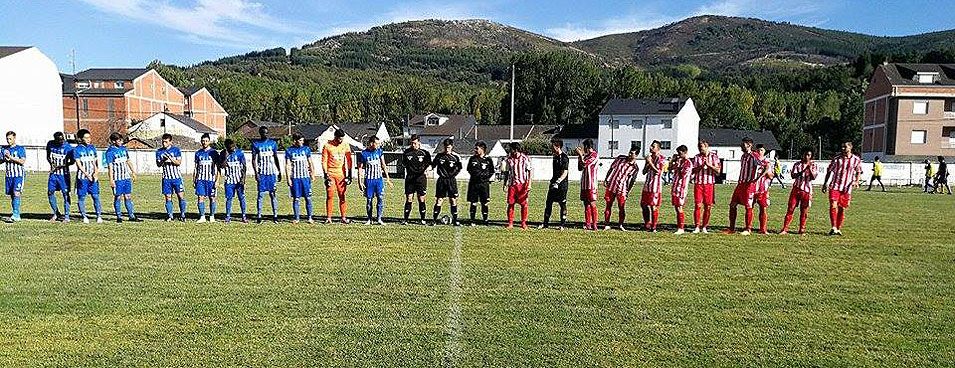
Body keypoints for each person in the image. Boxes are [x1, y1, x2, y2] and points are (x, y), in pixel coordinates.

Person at [724, 137, 767, 235]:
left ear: (749, 145)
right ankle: (731, 228)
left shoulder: (754, 156)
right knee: (732, 205)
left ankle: (748, 229)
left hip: (749, 185)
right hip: (740, 184)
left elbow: (765, 165)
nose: (740, 146)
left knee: (748, 206)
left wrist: (757, 178)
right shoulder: (743, 156)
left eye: (742, 144)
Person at [821, 141, 862, 236]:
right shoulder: (836, 159)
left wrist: (856, 181)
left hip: (846, 188)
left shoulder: (856, 159)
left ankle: (838, 228)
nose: (843, 149)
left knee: (842, 208)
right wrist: (825, 183)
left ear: (850, 148)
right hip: (835, 186)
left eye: (845, 147)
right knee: (833, 205)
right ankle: (833, 227)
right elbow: (829, 171)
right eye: (842, 147)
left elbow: (858, 171)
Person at [104, 133, 140, 223]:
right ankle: (118, 216)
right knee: (118, 197)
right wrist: (111, 180)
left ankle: (131, 216)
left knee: (128, 196)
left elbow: (128, 161)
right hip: (117, 178)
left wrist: (133, 172)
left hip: (126, 177)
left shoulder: (124, 149)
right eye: (119, 140)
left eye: (121, 140)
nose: (121, 142)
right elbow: (110, 167)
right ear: (113, 141)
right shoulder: (110, 152)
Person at [780, 148, 817, 235]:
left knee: (804, 211)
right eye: (805, 154)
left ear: (811, 156)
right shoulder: (797, 164)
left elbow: (813, 177)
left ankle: (801, 229)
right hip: (796, 189)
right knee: (790, 209)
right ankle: (785, 229)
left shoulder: (814, 165)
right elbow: (793, 175)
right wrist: (804, 170)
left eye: (808, 155)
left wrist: (809, 169)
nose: (806, 156)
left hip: (807, 191)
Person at [603, 147, 640, 231]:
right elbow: (611, 168)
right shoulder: (620, 158)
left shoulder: (635, 167)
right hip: (612, 185)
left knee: (621, 207)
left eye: (632, 153)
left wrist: (627, 191)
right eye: (630, 152)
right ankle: (607, 224)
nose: (630, 155)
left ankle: (620, 224)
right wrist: (606, 179)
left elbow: (632, 180)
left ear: (636, 155)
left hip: (622, 188)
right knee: (608, 205)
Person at [357, 135, 391, 225]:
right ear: (371, 143)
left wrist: (387, 178)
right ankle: (369, 219)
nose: (378, 145)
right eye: (377, 143)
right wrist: (359, 182)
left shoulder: (379, 152)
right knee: (369, 200)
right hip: (369, 180)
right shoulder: (364, 154)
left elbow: (383, 165)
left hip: (378, 180)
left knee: (380, 198)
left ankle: (379, 219)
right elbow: (360, 168)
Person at [251, 126, 282, 223]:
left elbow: (276, 157)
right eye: (263, 133)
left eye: (267, 133)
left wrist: (279, 171)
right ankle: (259, 216)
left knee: (273, 194)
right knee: (260, 195)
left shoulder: (273, 143)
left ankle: (275, 216)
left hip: (271, 173)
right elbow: (253, 160)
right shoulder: (256, 144)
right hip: (262, 173)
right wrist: (256, 173)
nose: (265, 134)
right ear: (260, 133)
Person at [72, 129, 103, 224]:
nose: (89, 139)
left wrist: (96, 172)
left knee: (96, 196)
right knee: (82, 197)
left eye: (89, 137)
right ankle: (84, 216)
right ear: (81, 139)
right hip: (82, 178)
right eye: (86, 137)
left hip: (93, 177)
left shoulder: (92, 148)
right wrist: (86, 174)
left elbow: (95, 162)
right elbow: (79, 165)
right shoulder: (77, 150)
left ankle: (98, 216)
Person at [322, 129, 353, 224]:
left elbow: (349, 160)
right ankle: (329, 218)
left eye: (342, 139)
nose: (341, 141)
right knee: (330, 195)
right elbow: (324, 161)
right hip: (331, 174)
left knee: (342, 195)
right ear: (335, 137)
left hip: (341, 175)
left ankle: (343, 217)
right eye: (339, 139)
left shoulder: (345, 145)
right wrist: (326, 176)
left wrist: (350, 175)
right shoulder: (327, 146)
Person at [401, 135, 431, 225]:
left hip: (421, 178)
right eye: (412, 143)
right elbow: (404, 164)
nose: (413, 145)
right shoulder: (406, 152)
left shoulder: (425, 153)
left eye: (415, 143)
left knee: (421, 198)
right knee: (409, 198)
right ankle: (406, 220)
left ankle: (422, 219)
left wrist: (426, 170)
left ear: (419, 143)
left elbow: (429, 164)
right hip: (410, 178)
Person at [691, 140, 720, 234]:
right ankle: (697, 226)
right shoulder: (696, 157)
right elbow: (693, 170)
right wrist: (701, 166)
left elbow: (718, 171)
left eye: (701, 147)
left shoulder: (714, 157)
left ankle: (704, 226)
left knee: (708, 206)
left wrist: (709, 165)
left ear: (706, 147)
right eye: (699, 147)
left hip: (709, 184)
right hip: (698, 183)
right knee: (698, 205)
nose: (700, 149)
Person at [432, 138, 463, 226]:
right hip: (441, 180)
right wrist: (427, 169)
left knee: (453, 200)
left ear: (452, 147)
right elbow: (433, 165)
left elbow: (459, 168)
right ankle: (434, 220)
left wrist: (452, 175)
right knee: (439, 200)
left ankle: (455, 220)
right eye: (445, 147)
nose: (447, 149)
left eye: (448, 147)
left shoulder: (456, 157)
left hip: (451, 181)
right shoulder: (439, 156)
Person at [285, 133, 315, 224]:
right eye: (300, 140)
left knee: (308, 198)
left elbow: (310, 163)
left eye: (303, 140)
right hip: (295, 178)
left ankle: (309, 217)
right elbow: (287, 165)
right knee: (296, 199)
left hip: (305, 178)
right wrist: (288, 178)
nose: (302, 142)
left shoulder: (306, 149)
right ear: (295, 141)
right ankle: (297, 218)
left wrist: (312, 173)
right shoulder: (289, 150)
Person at [156, 134, 186, 222]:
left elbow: (178, 162)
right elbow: (158, 164)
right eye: (163, 141)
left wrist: (170, 158)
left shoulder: (176, 150)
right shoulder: (159, 152)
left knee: (181, 196)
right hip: (166, 178)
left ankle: (183, 214)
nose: (164, 143)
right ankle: (170, 215)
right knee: (168, 197)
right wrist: (163, 160)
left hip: (176, 177)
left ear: (170, 142)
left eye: (166, 142)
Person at [540, 139, 569, 230]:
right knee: (548, 203)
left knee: (562, 204)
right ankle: (545, 224)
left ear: (558, 146)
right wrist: (553, 182)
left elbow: (565, 172)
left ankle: (562, 225)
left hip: (562, 185)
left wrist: (558, 181)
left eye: (552, 147)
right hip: (553, 183)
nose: (551, 149)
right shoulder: (555, 157)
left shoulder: (564, 157)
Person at [502, 142, 532, 229]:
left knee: (524, 204)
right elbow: (507, 172)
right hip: (512, 185)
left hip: (522, 184)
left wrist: (529, 183)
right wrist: (505, 183)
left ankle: (523, 223)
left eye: (511, 149)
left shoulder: (525, 158)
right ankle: (510, 223)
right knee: (511, 203)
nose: (509, 151)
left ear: (515, 150)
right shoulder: (509, 159)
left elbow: (529, 171)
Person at [46, 132, 74, 222]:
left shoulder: (68, 148)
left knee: (66, 194)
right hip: (53, 174)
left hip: (64, 174)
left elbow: (72, 161)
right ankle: (56, 213)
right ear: (55, 140)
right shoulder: (50, 144)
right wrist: (51, 163)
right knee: (50, 192)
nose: (62, 141)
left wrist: (62, 166)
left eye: (63, 139)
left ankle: (67, 216)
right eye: (59, 140)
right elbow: (48, 155)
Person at [466, 141, 495, 226]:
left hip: (484, 184)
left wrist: (484, 177)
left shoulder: (488, 159)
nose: (475, 150)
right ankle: (472, 220)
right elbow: (469, 169)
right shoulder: (472, 159)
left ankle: (485, 220)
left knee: (484, 202)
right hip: (474, 184)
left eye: (477, 148)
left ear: (482, 149)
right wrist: (476, 176)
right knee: (473, 202)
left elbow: (491, 171)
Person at [220, 139, 248, 223]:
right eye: (230, 147)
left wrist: (243, 179)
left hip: (238, 180)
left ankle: (244, 216)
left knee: (241, 198)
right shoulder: (223, 153)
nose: (232, 148)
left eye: (233, 146)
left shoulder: (240, 153)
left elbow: (244, 166)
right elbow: (222, 166)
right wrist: (226, 156)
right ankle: (228, 216)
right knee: (229, 199)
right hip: (229, 181)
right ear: (226, 147)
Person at [194, 134, 220, 223]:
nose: (204, 142)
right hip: (201, 179)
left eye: (206, 141)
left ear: (209, 141)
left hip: (211, 180)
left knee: (212, 198)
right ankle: (202, 217)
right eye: (203, 141)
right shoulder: (198, 153)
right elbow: (196, 168)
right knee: (200, 197)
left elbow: (218, 168)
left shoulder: (214, 153)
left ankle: (212, 216)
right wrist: (194, 179)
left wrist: (217, 180)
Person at [641, 141, 666, 232]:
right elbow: (644, 172)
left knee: (653, 206)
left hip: (655, 187)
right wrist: (647, 163)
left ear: (658, 148)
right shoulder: (649, 157)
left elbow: (658, 171)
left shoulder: (661, 158)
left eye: (653, 146)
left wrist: (650, 163)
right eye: (651, 145)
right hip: (647, 185)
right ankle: (647, 224)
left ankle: (654, 227)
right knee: (643, 205)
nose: (650, 147)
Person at [2, 131, 26, 222]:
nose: (8, 141)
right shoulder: (5, 149)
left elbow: (22, 161)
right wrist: (4, 158)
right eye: (7, 139)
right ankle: (16, 213)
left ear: (14, 138)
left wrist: (10, 157)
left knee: (17, 193)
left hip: (18, 175)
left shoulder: (20, 148)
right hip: (9, 175)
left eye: (10, 139)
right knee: (12, 195)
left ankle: (16, 215)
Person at [576, 139, 599, 231]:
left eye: (584, 146)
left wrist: (581, 155)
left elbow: (585, 164)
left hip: (591, 184)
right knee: (586, 204)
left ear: (587, 146)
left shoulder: (594, 155)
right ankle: (588, 224)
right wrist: (580, 157)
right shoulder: (585, 156)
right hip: (584, 183)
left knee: (592, 203)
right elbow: (580, 168)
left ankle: (595, 225)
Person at [670, 145, 693, 234]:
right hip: (675, 187)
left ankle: (681, 228)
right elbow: (670, 168)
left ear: (685, 152)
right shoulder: (679, 161)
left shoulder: (688, 163)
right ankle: (679, 226)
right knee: (676, 207)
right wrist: (673, 161)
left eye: (680, 153)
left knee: (680, 207)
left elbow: (682, 174)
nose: (679, 155)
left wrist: (678, 164)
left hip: (682, 188)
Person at [752, 144, 774, 234]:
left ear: (764, 152)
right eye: (758, 150)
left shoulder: (767, 162)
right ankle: (748, 227)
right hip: (752, 188)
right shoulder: (752, 160)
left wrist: (766, 171)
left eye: (761, 150)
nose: (759, 152)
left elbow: (771, 176)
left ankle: (763, 229)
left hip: (762, 189)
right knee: (749, 207)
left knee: (763, 208)